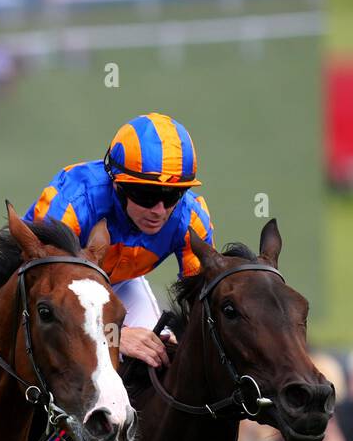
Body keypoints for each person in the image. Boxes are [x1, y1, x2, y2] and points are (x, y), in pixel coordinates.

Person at [24, 113, 214, 370]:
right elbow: (45, 299)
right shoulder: (71, 204)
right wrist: (116, 336)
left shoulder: (191, 218)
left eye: (173, 195)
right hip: (44, 287)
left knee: (158, 358)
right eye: (146, 194)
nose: (159, 210)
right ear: (116, 184)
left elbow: (202, 306)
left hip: (119, 283)